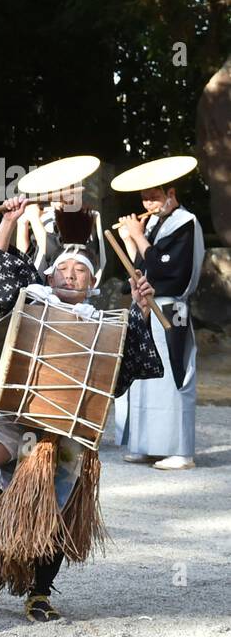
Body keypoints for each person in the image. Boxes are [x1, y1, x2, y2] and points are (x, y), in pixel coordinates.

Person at [0, 196, 163, 622]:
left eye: (80, 270)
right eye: (63, 267)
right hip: (15, 415)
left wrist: (139, 312)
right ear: (48, 273)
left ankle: (40, 593)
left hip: (63, 432)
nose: (70, 273)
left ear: (91, 284)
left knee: (52, 512)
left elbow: (119, 378)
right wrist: (8, 221)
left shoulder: (100, 322)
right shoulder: (31, 299)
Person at [114, 171, 204, 470]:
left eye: (154, 195)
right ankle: (147, 445)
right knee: (145, 376)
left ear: (171, 193)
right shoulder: (152, 224)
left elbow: (168, 269)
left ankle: (181, 450)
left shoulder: (185, 223)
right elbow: (141, 268)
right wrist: (130, 241)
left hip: (170, 307)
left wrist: (139, 237)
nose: (149, 203)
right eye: (145, 197)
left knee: (173, 374)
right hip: (146, 305)